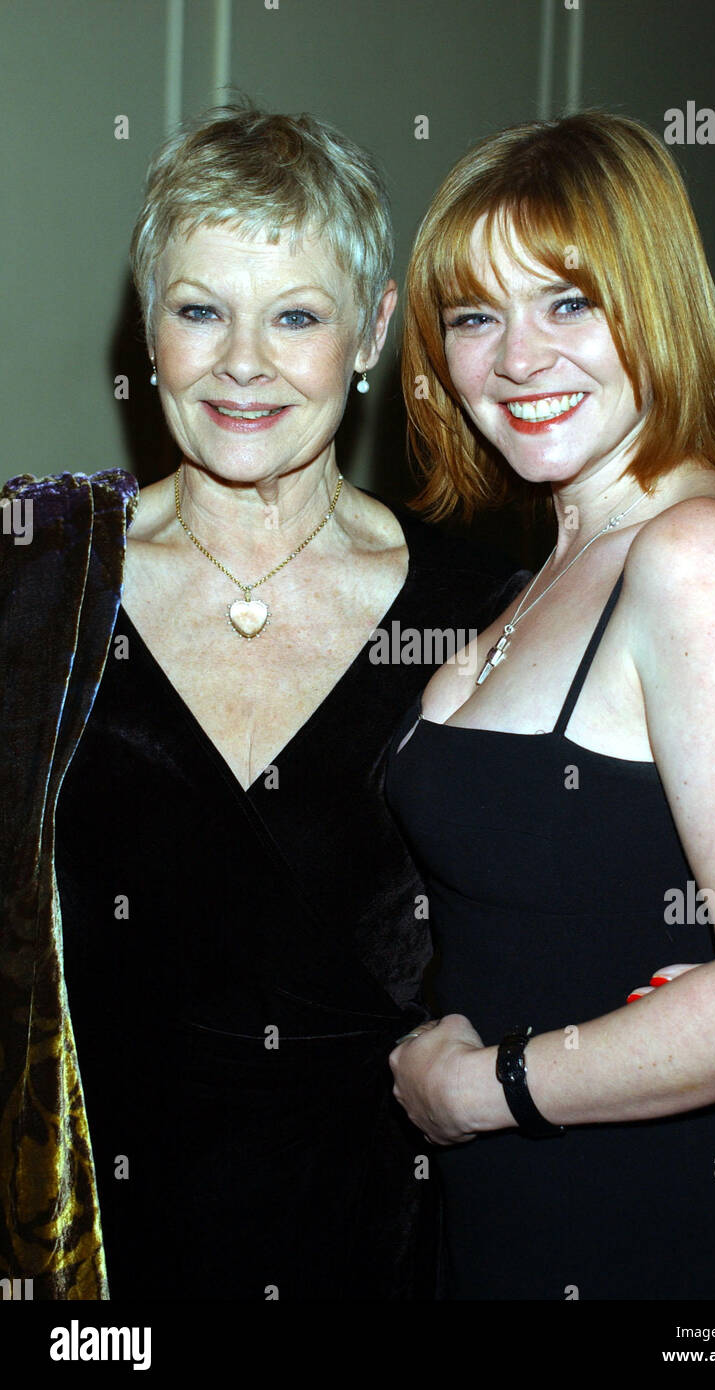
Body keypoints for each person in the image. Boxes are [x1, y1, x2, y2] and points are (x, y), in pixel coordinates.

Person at [0, 102, 526, 1300]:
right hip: (94, 1243)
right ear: (149, 325)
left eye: (295, 316)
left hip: (392, 1238)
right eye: (200, 312)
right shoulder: (36, 577)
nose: (244, 362)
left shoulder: (490, 606)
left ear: (372, 333)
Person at [385, 111, 715, 1300]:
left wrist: (484, 1089)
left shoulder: (691, 556)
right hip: (509, 1217)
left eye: (568, 303)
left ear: (657, 307)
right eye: (477, 317)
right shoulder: (550, 555)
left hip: (653, 1226)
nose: (520, 358)